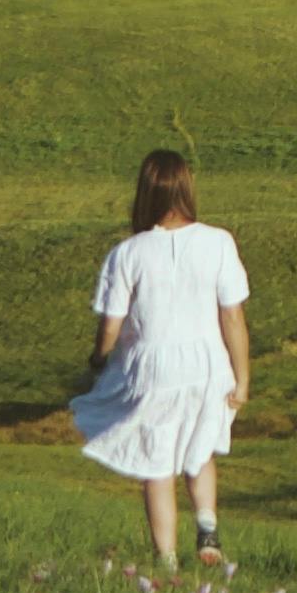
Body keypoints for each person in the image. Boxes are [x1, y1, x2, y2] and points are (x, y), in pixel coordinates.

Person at [72, 145, 250, 570]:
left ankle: (166, 562)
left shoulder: (128, 253)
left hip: (152, 370)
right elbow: (233, 317)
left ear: (144, 193)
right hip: (208, 365)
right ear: (187, 188)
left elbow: (111, 326)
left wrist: (98, 359)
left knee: (157, 464)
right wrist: (241, 378)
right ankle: (206, 527)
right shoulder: (218, 242)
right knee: (200, 447)